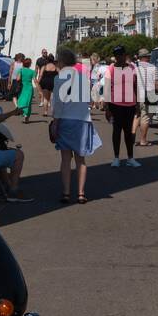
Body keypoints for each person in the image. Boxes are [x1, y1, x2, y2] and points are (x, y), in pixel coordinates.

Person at [52, 47, 102, 203]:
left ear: (61, 61)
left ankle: (66, 192)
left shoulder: (59, 78)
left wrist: (55, 124)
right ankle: (81, 193)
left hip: (66, 120)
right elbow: (88, 100)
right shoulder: (82, 78)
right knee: (81, 160)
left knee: (66, 159)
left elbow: (58, 105)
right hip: (82, 120)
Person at [104, 45, 140, 167]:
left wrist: (138, 105)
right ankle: (116, 158)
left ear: (125, 55)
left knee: (128, 132)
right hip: (115, 105)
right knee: (117, 131)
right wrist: (107, 108)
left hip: (130, 104)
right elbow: (107, 89)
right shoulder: (111, 68)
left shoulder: (132, 67)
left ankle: (130, 158)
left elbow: (137, 87)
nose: (119, 57)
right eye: (117, 55)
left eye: (121, 54)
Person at [133, 48, 158, 148]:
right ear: (147, 57)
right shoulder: (153, 67)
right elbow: (156, 84)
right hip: (151, 94)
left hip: (138, 93)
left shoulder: (134, 67)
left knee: (137, 115)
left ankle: (132, 133)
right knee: (146, 117)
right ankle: (143, 140)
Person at [15, 57, 37, 122]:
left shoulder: (21, 70)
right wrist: (39, 90)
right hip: (29, 88)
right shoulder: (32, 72)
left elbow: (18, 79)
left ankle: (24, 113)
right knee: (28, 102)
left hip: (22, 88)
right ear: (29, 64)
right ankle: (26, 116)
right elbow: (35, 80)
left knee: (21, 100)